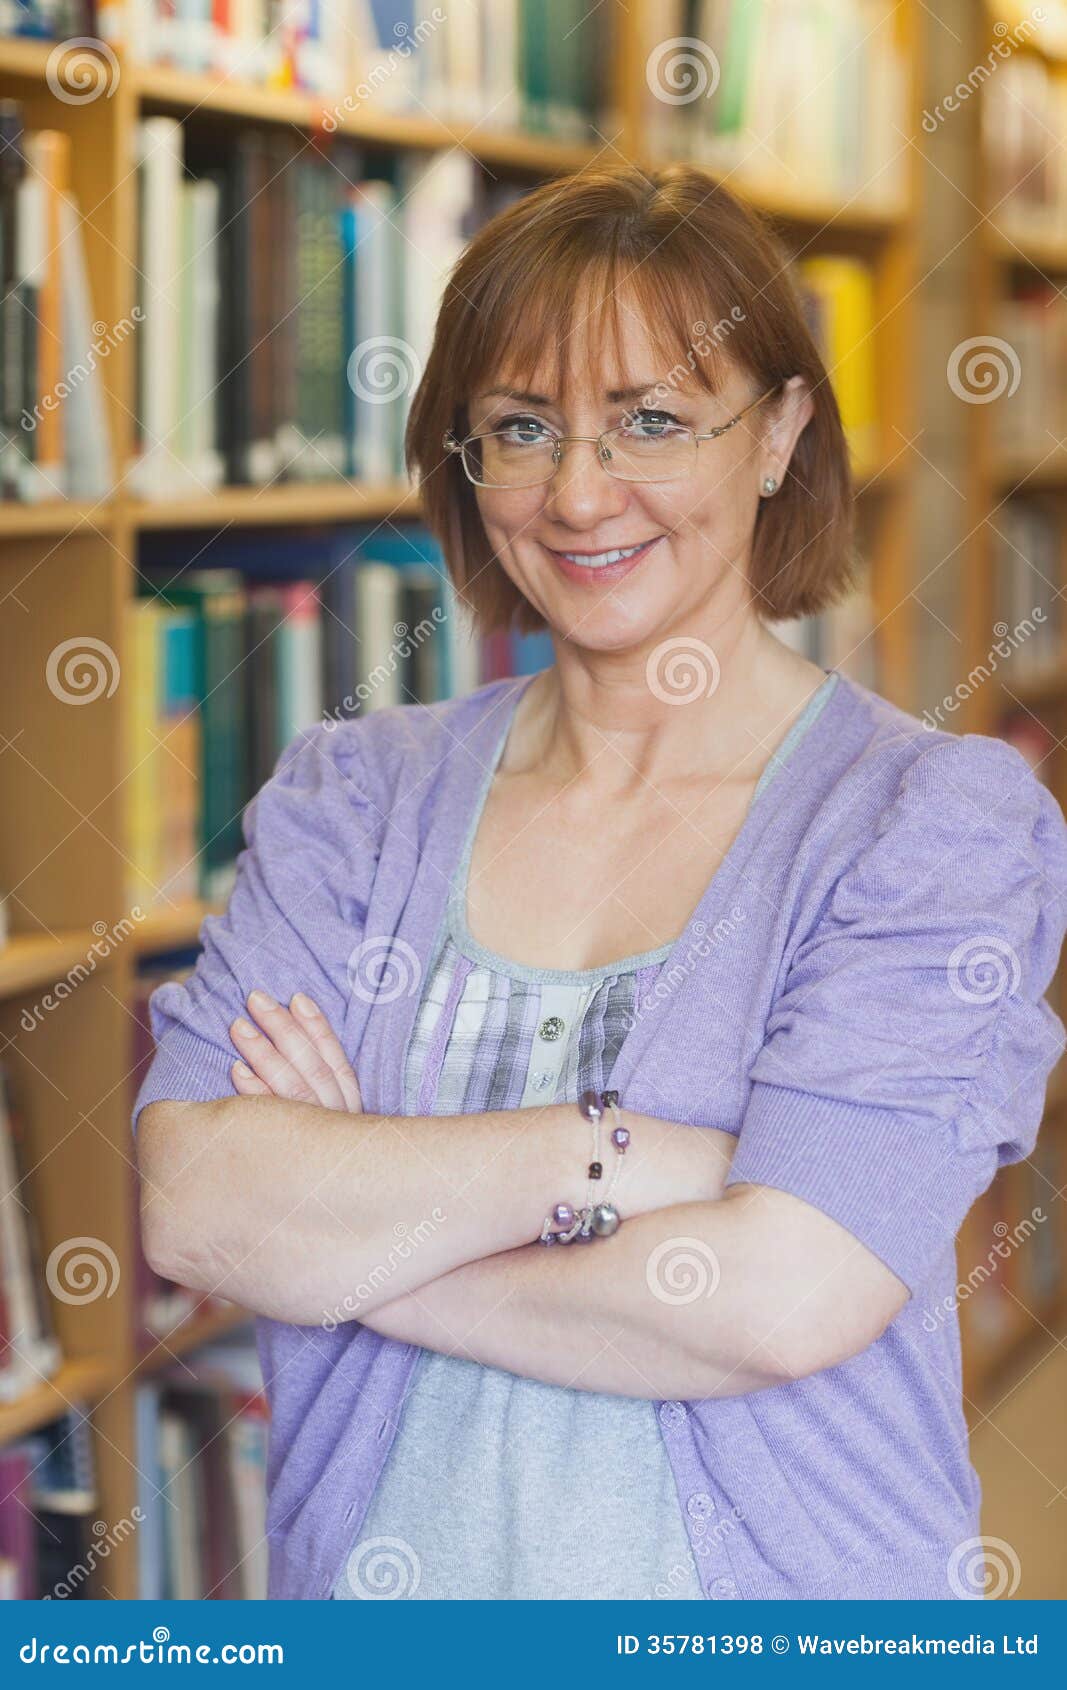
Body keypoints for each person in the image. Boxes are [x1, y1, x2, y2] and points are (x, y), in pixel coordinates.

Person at [133, 165, 1067, 1602]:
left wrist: (352, 1246)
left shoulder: (928, 824)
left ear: (779, 435)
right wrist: (631, 1152)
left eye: (650, 421)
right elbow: (197, 1202)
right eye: (521, 428)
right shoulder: (353, 800)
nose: (578, 493)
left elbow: (786, 1291)